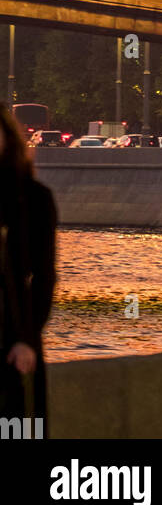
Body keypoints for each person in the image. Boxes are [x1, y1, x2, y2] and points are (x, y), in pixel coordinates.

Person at [0, 103, 57, 426]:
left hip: (13, 338)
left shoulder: (33, 198)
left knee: (20, 427)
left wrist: (26, 337)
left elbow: (44, 276)